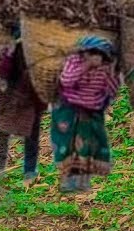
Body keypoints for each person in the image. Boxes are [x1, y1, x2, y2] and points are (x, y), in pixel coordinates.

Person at [51, 35, 120, 194]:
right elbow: (66, 80)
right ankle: (67, 179)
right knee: (68, 145)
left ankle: (83, 181)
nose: (95, 57)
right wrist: (86, 66)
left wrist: (111, 74)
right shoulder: (75, 61)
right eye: (91, 53)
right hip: (70, 108)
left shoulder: (106, 68)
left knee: (88, 146)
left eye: (99, 54)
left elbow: (112, 89)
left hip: (91, 111)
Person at [0, 28, 45, 183]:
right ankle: (25, 172)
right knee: (10, 133)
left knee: (4, 133)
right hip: (17, 98)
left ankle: (3, 171)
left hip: (21, 99)